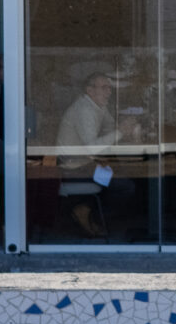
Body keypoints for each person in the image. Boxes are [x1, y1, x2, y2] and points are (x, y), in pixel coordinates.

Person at [55, 72, 130, 239]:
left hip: (85, 163)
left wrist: (123, 127)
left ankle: (89, 211)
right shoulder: (84, 110)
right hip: (74, 167)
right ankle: (87, 211)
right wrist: (120, 132)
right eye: (104, 88)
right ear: (89, 90)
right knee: (125, 186)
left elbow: (110, 125)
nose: (108, 92)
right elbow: (91, 148)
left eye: (109, 87)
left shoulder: (98, 105)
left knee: (123, 174)